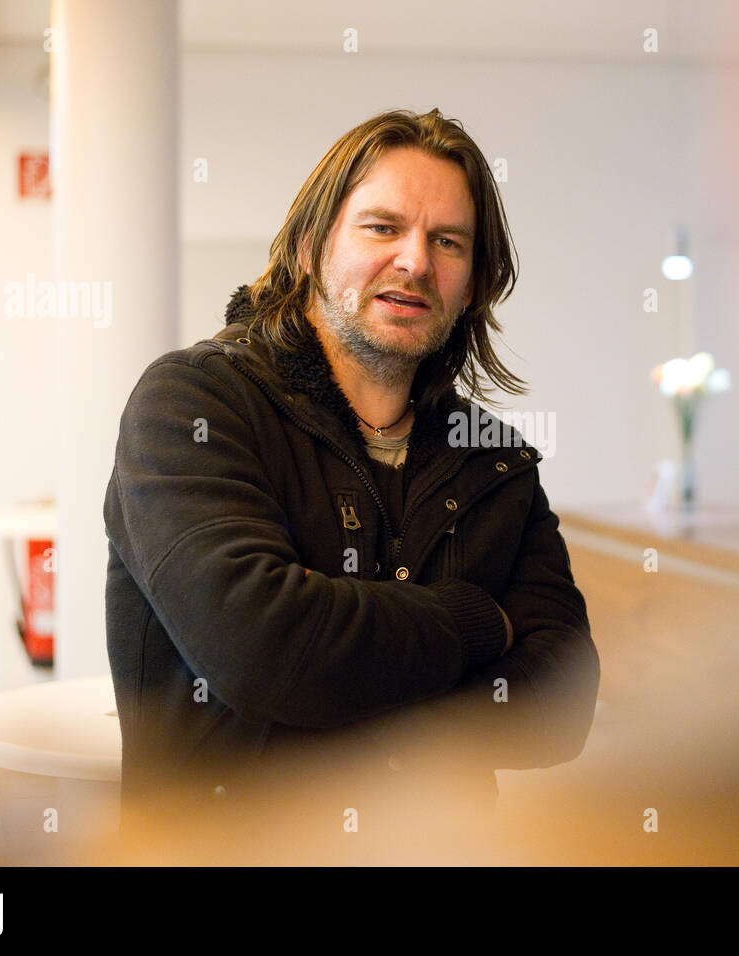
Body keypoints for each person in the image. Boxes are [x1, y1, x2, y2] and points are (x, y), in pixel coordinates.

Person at [103, 108, 599, 833]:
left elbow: (562, 704)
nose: (415, 261)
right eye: (382, 227)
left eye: (448, 241)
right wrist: (476, 623)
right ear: (310, 246)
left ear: (470, 286)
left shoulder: (491, 460)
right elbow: (261, 652)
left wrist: (338, 677)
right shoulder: (195, 405)